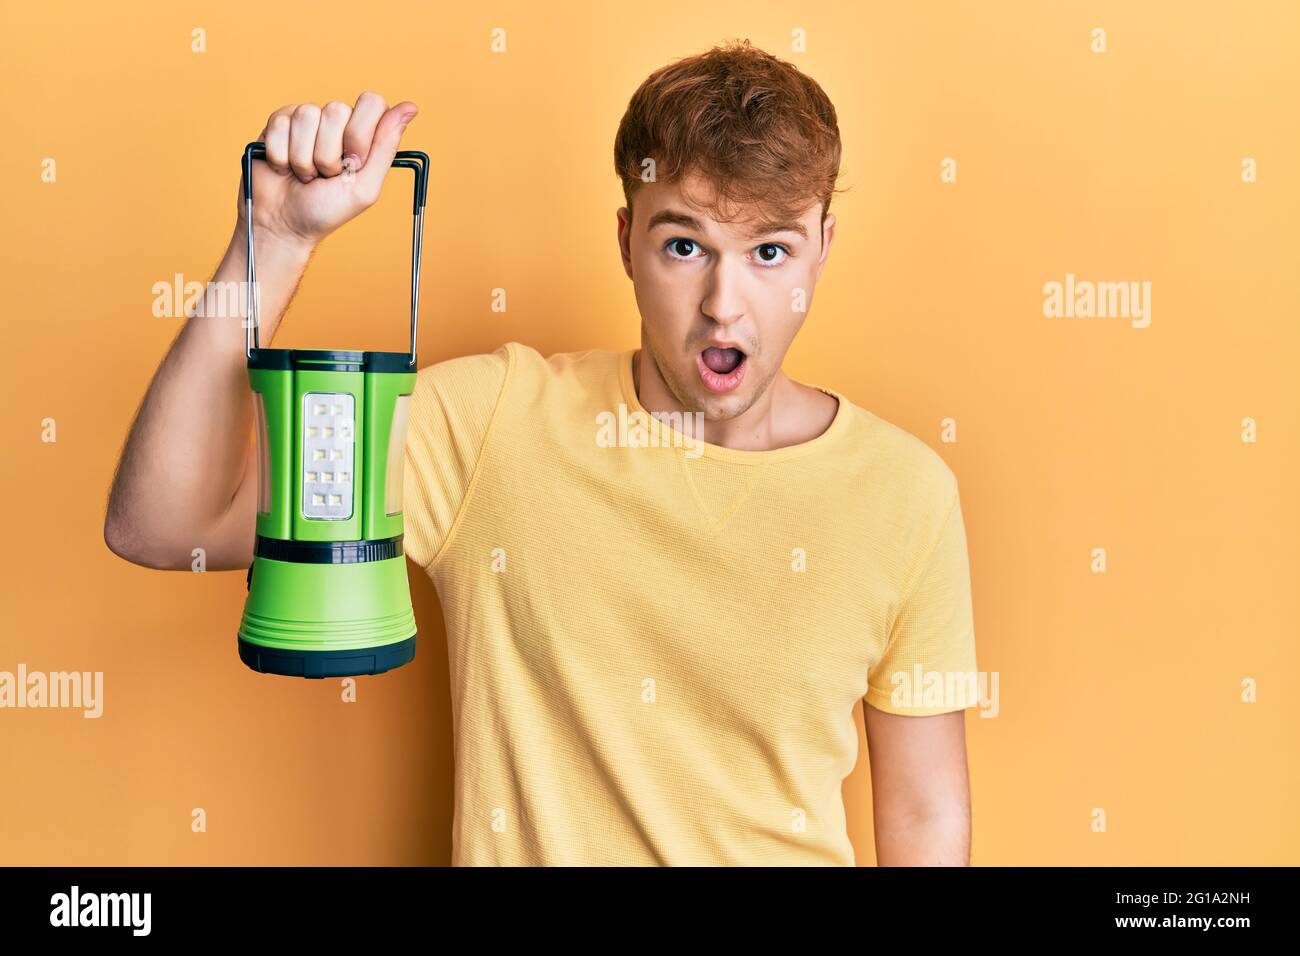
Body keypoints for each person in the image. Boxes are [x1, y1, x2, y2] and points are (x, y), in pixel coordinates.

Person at [105, 39, 979, 866]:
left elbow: (922, 811)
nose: (724, 305)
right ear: (627, 244)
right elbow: (163, 524)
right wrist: (274, 239)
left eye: (769, 251)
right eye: (684, 245)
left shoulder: (907, 493)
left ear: (821, 251)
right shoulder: (495, 423)